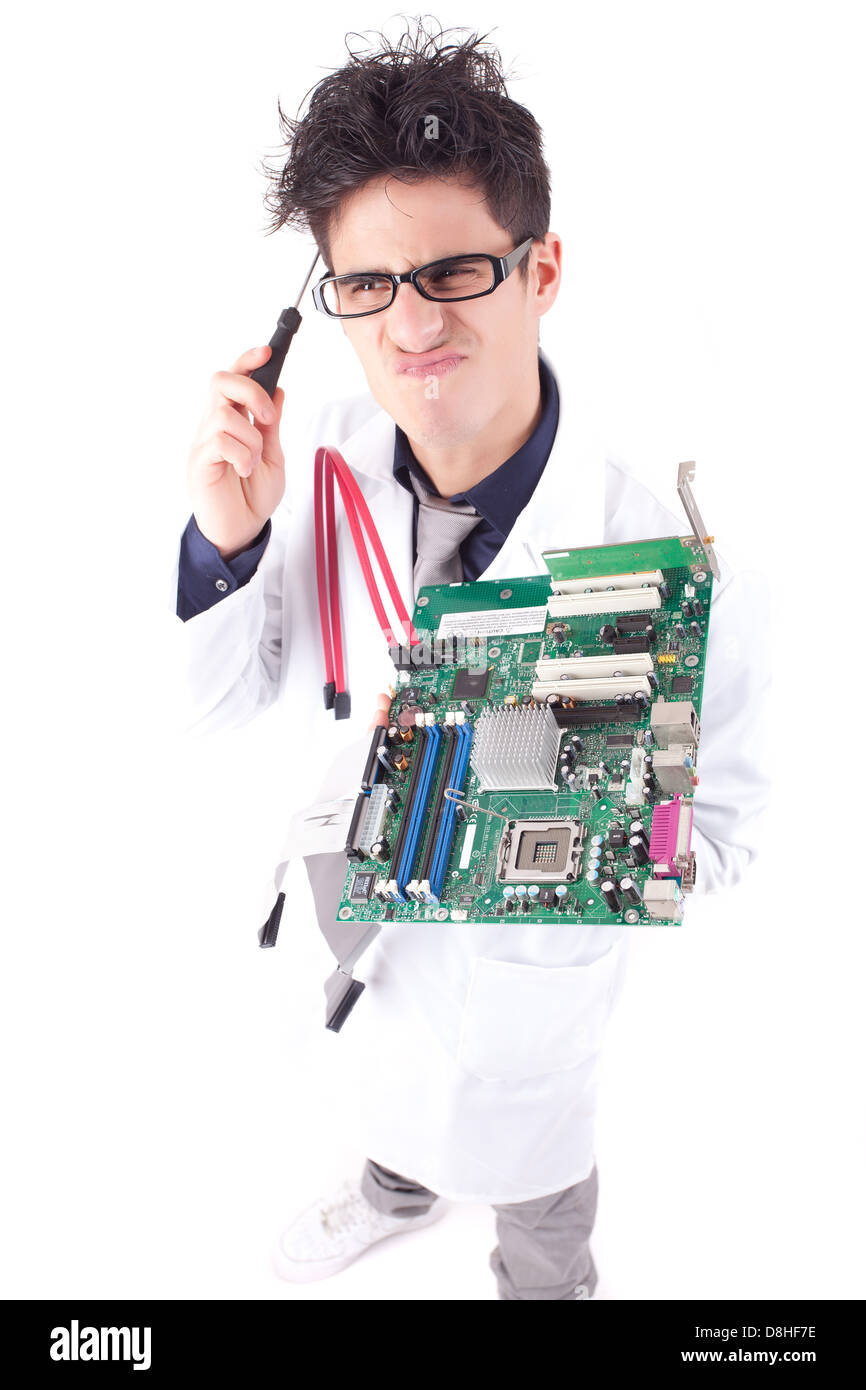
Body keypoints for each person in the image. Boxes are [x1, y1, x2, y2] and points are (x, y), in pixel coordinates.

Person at [171, 20, 770, 1300]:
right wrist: (225, 536)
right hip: (356, 914)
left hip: (523, 991)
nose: (409, 325)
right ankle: (395, 1187)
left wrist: (565, 795)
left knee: (537, 1182)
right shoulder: (313, 459)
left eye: (451, 271)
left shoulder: (657, 549)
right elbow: (215, 702)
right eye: (367, 286)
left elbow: (725, 828)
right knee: (379, 1097)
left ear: (539, 267)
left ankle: (542, 1277)